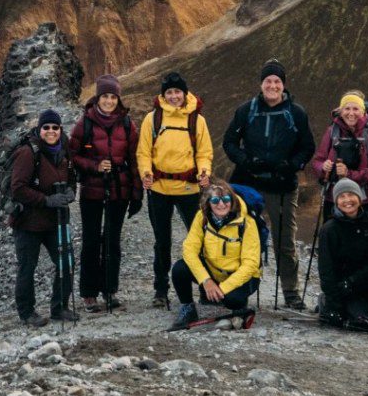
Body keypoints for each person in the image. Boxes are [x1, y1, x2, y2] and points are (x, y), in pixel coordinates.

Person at [221, 59, 316, 309]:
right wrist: (245, 161)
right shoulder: (246, 111)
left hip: (282, 185)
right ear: (261, 84)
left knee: (284, 241)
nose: (272, 86)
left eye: (276, 81)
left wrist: (291, 165)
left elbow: (307, 147)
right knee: (238, 236)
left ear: (283, 85)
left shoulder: (296, 113)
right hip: (247, 183)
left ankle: (291, 292)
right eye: (268, 81)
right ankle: (234, 287)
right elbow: (229, 142)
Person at [137, 72, 213, 308]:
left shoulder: (197, 120)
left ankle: (204, 287)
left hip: (189, 189)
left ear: (184, 93)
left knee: (198, 239)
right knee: (162, 241)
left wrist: (204, 172)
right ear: (163, 95)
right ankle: (161, 290)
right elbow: (143, 152)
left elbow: (204, 152)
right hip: (159, 188)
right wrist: (146, 173)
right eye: (169, 92)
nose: (173, 96)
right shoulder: (152, 119)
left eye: (177, 92)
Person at [68, 75, 138, 313]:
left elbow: (135, 159)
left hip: (119, 190)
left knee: (112, 240)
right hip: (91, 191)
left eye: (113, 97)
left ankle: (110, 290)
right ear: (97, 98)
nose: (109, 101)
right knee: (91, 241)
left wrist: (136, 192)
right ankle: (89, 294)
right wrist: (94, 166)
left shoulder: (127, 124)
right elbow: (72, 155)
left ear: (118, 99)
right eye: (105, 96)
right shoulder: (85, 123)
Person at [9, 109, 77, 327]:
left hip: (55, 221)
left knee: (66, 262)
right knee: (27, 267)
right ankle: (27, 313)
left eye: (55, 127)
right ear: (39, 129)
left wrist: (70, 192)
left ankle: (60, 307)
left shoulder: (64, 151)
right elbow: (18, 188)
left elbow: (72, 178)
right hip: (28, 222)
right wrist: (46, 200)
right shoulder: (28, 153)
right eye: (46, 127)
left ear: (60, 129)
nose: (51, 131)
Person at [170, 180, 262, 330]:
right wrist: (206, 280)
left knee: (232, 300)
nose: (221, 204)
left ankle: (237, 307)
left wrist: (222, 289)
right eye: (215, 200)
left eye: (226, 199)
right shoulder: (202, 217)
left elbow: (250, 264)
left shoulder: (247, 223)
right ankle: (188, 308)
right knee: (179, 269)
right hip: (213, 272)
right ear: (208, 203)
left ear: (232, 200)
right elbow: (189, 250)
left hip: (240, 276)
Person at [317, 179, 368, 332]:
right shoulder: (329, 229)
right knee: (365, 323)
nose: (347, 200)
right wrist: (334, 303)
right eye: (342, 196)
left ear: (360, 198)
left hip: (363, 283)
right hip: (341, 288)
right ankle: (325, 301)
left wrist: (354, 281)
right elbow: (326, 270)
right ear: (336, 201)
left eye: (351, 195)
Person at [309, 91, 368, 212]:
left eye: (355, 109)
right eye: (347, 109)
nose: (351, 113)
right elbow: (317, 161)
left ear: (363, 112)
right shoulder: (332, 131)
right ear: (341, 111)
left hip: (365, 200)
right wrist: (323, 167)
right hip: (334, 198)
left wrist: (348, 174)